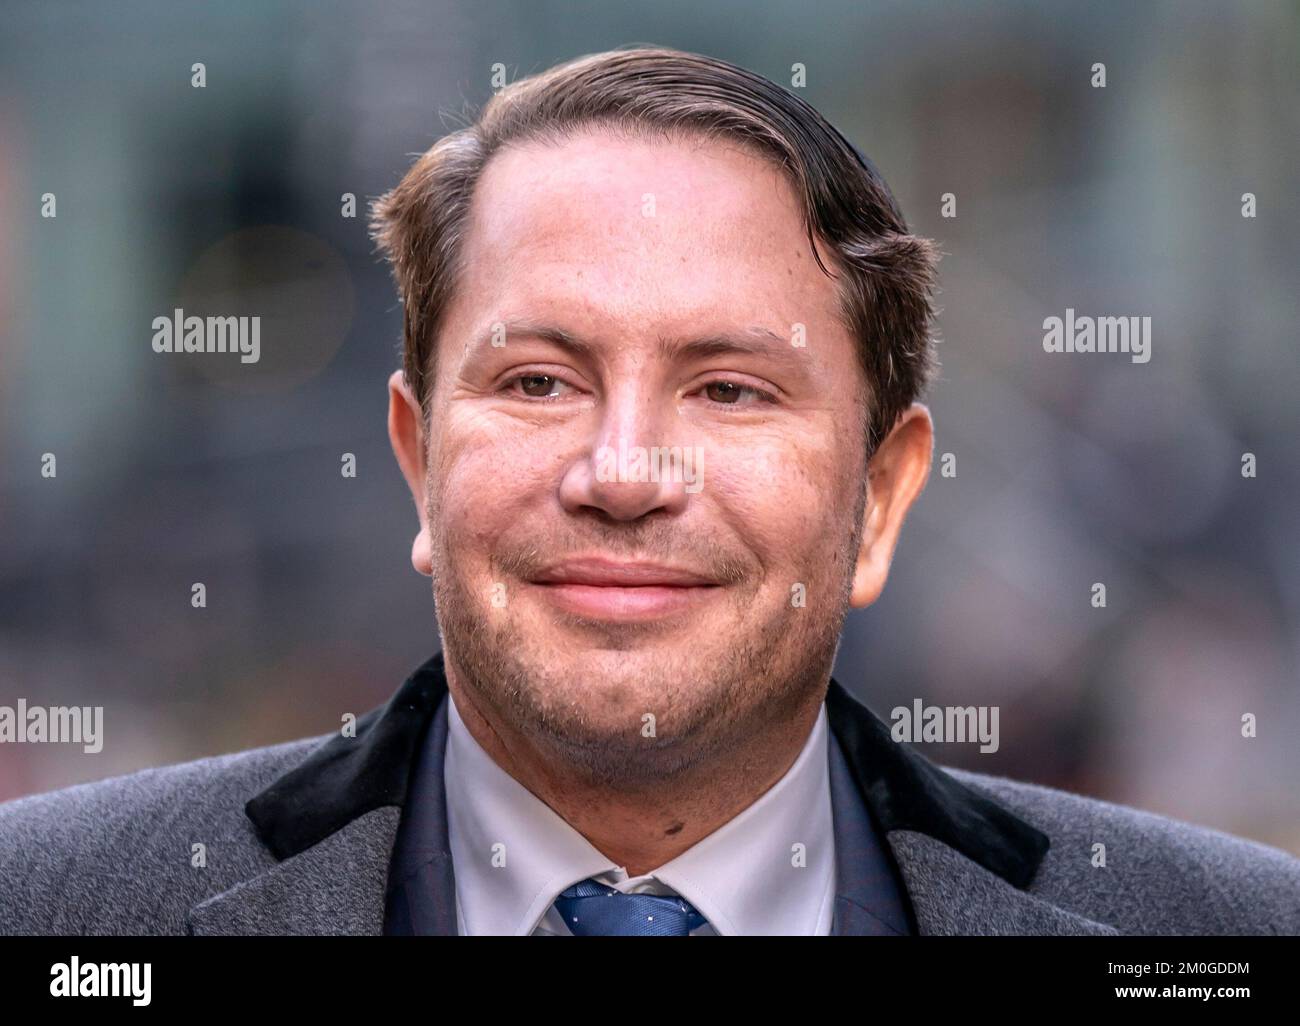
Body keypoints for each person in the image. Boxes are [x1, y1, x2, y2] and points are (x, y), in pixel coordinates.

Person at [2, 46, 1296, 936]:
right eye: (540, 382)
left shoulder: (1218, 935)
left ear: (883, 495)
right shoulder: (57, 913)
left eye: (730, 388)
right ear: (416, 459)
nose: (623, 471)